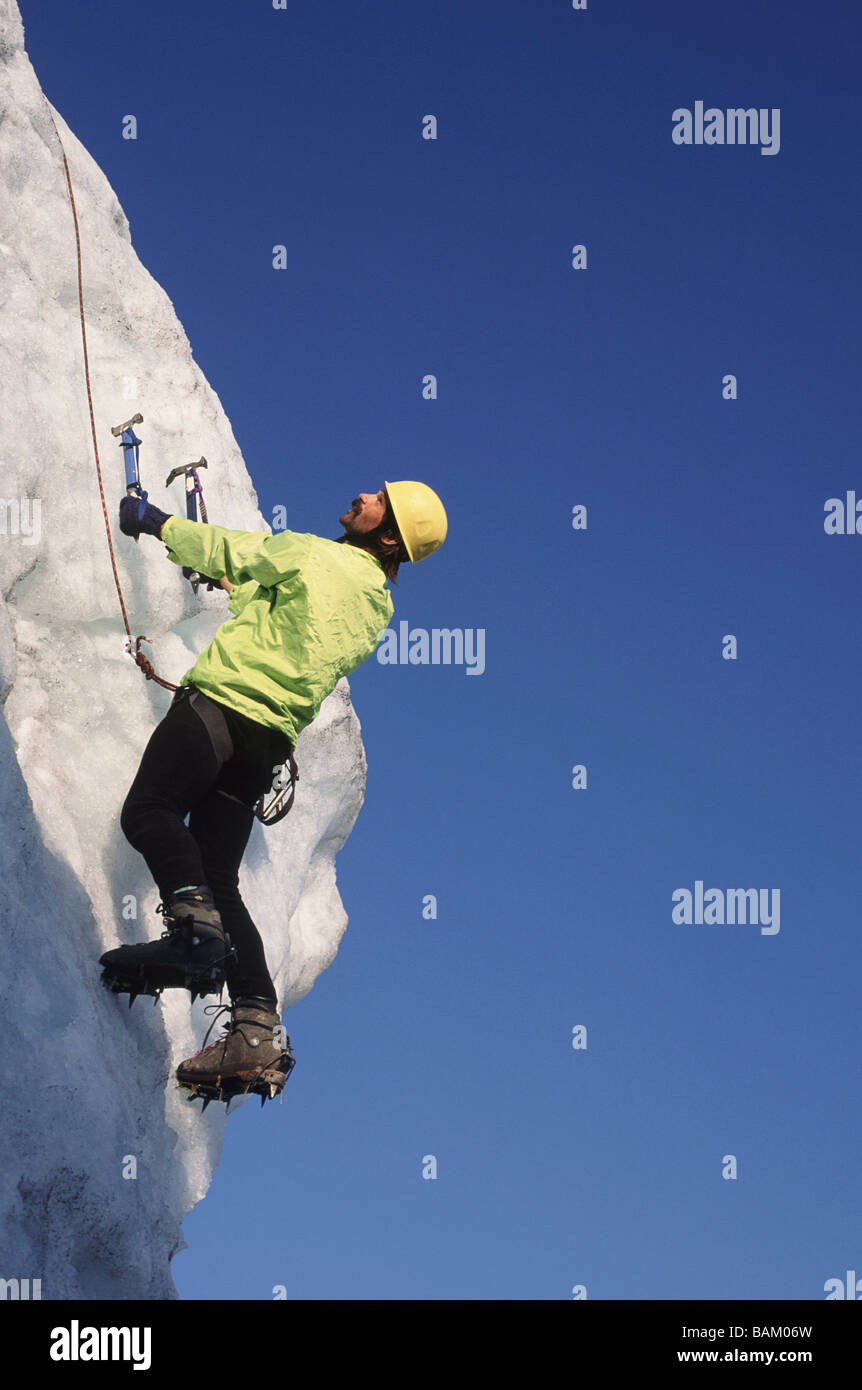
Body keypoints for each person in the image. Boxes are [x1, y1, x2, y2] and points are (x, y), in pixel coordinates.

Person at [99, 481, 447, 1105]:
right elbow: (291, 619)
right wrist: (242, 590)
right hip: (265, 744)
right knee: (219, 877)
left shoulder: (314, 553)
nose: (363, 494)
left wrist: (156, 522)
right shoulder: (374, 609)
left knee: (148, 810)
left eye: (377, 500)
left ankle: (194, 934)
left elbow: (236, 550)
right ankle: (256, 1026)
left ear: (390, 536)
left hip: (221, 705)